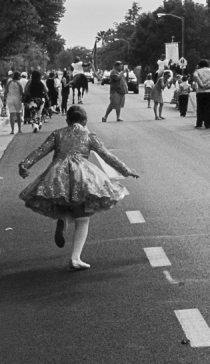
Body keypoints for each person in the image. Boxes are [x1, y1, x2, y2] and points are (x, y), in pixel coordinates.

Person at [17, 105, 139, 269]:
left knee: (68, 208)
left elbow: (41, 151)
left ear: (67, 121)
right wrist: (126, 170)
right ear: (85, 121)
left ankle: (64, 219)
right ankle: (75, 258)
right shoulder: (89, 136)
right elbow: (106, 155)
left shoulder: (58, 134)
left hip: (58, 174)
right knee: (83, 218)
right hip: (82, 174)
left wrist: (25, 164)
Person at [192, 59, 210, 129]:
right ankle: (207, 124)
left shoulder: (197, 71)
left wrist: (201, 84)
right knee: (208, 108)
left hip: (200, 91)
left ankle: (199, 123)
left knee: (200, 107)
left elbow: (195, 77)